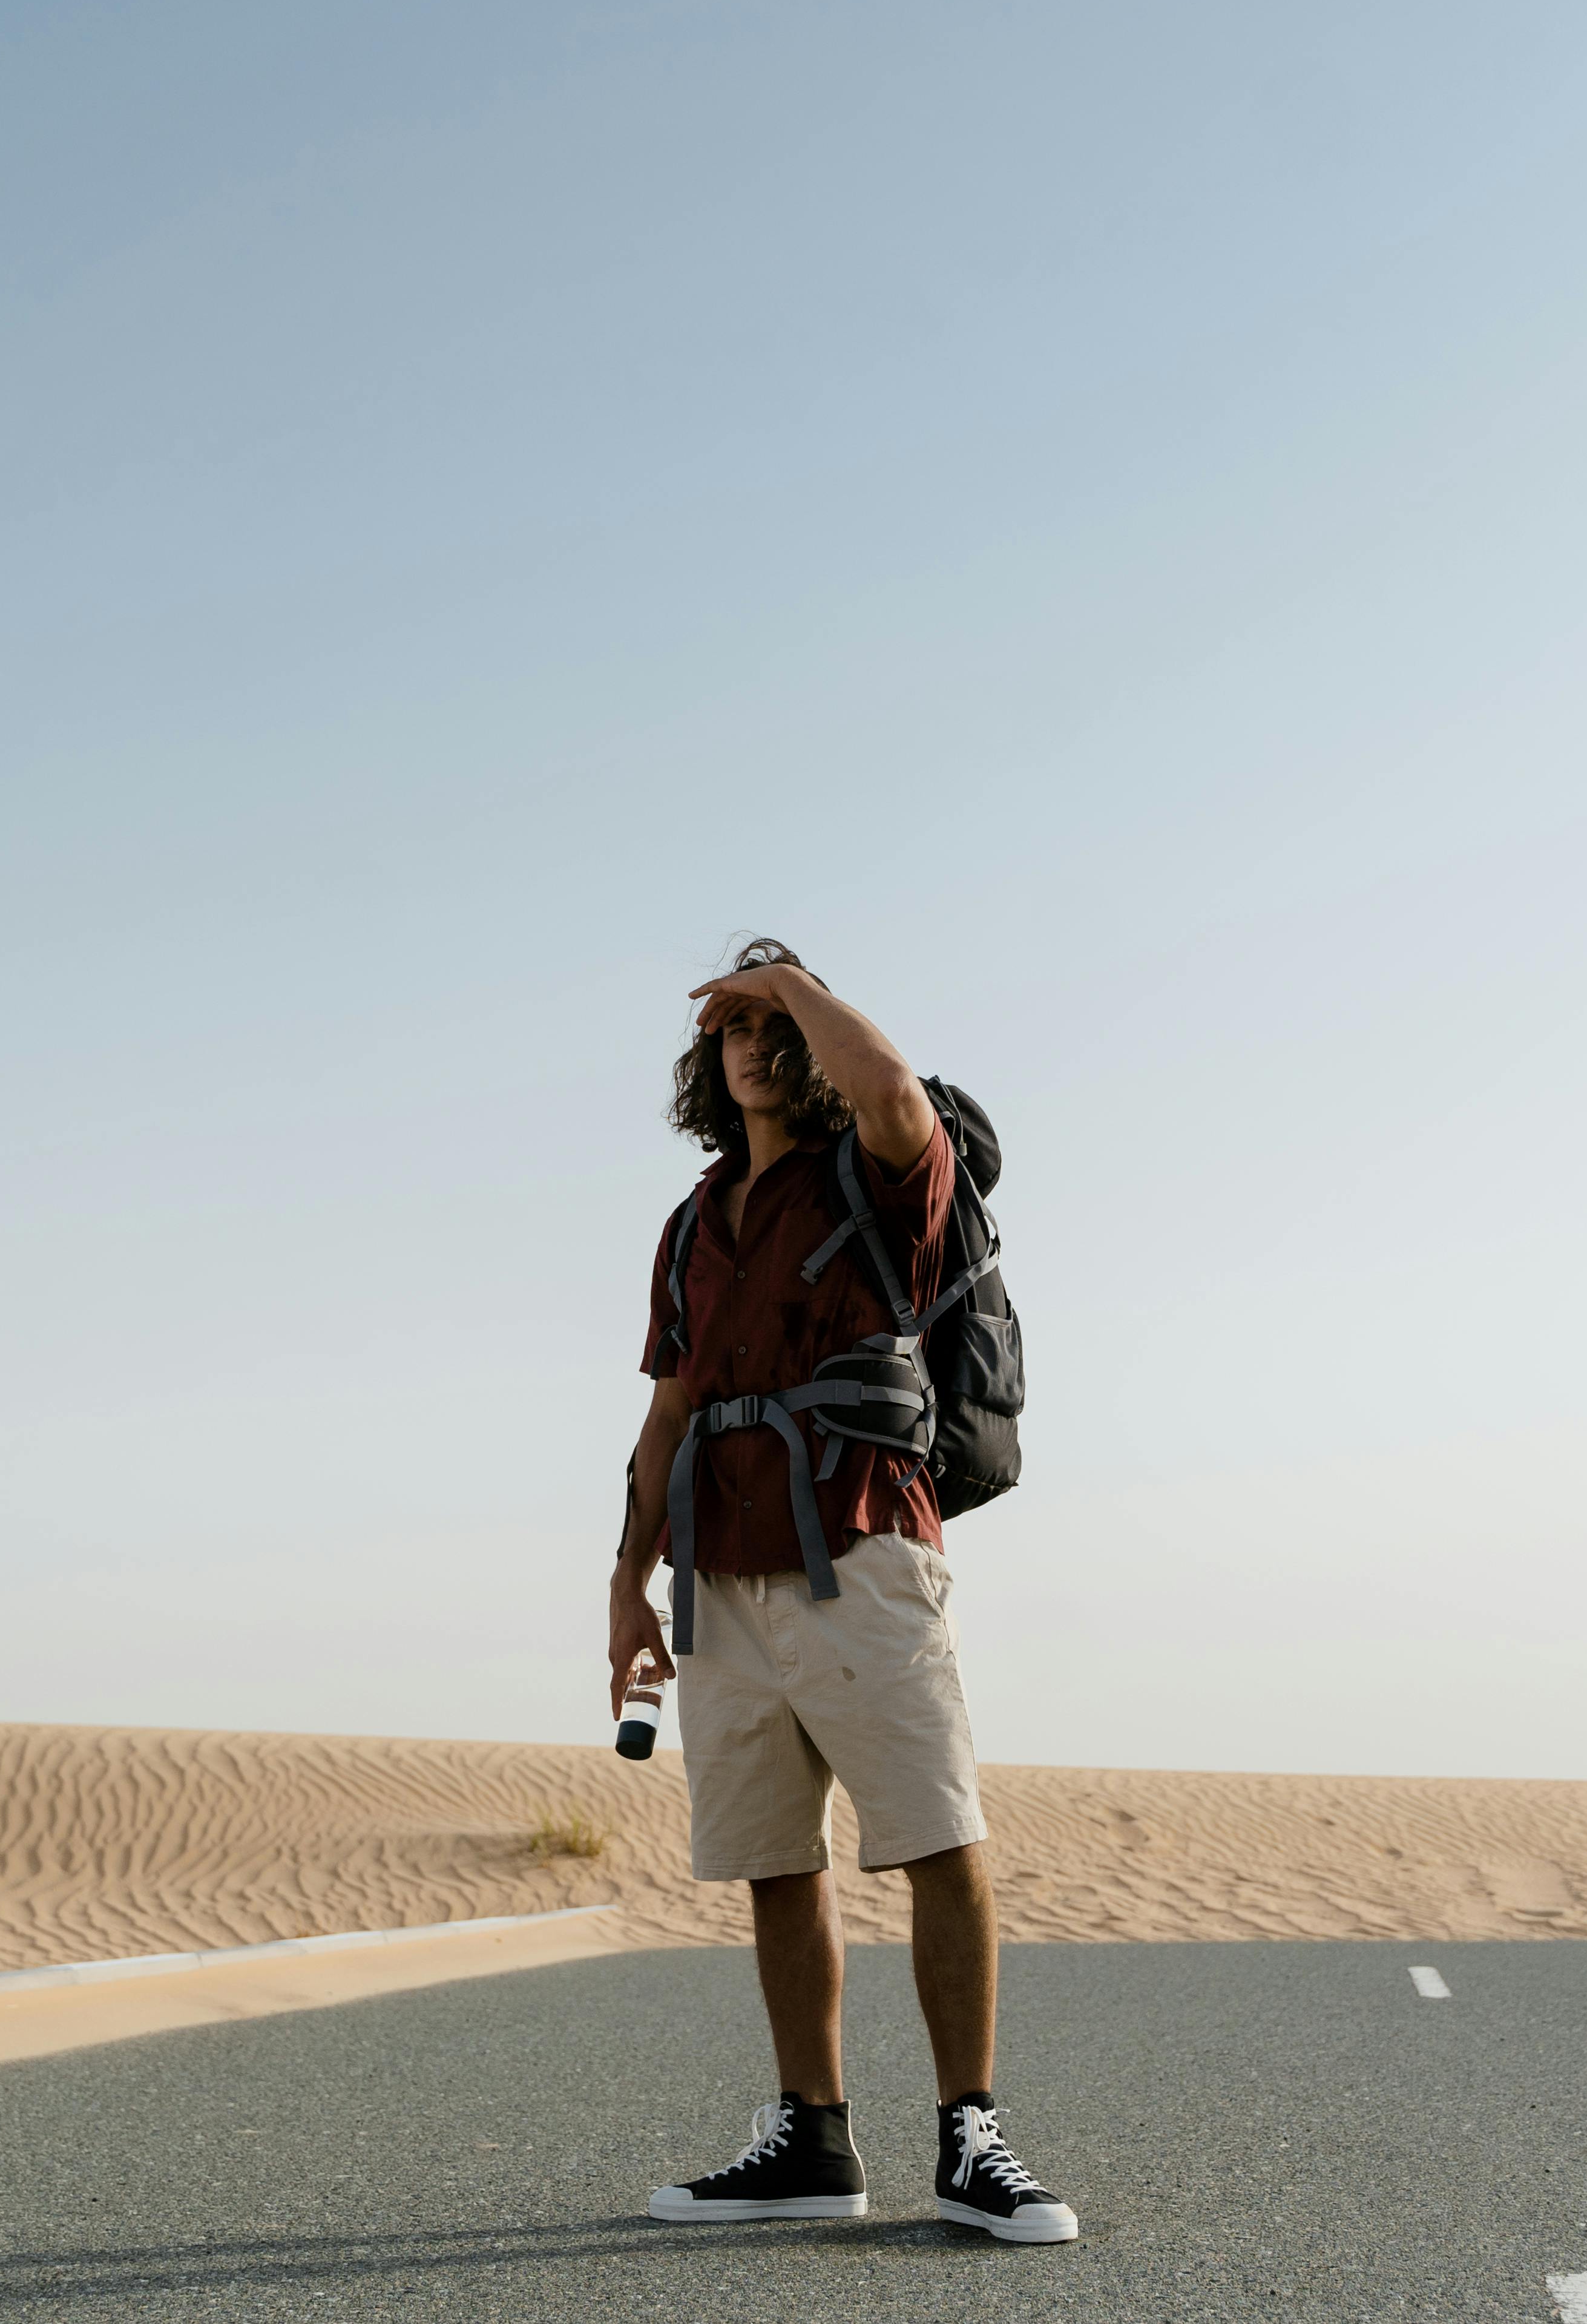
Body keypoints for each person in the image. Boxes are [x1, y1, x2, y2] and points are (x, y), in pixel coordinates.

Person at [608, 939, 1079, 2245]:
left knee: (933, 1832)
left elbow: (886, 1092)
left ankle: (971, 2135)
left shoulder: (880, 1172)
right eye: (731, 1028)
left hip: (864, 1544)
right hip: (719, 1567)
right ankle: (809, 2136)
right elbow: (665, 1414)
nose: (752, 1044)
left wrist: (785, 976)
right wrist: (623, 1582)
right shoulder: (693, 1224)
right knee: (771, 1859)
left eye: (774, 1026)